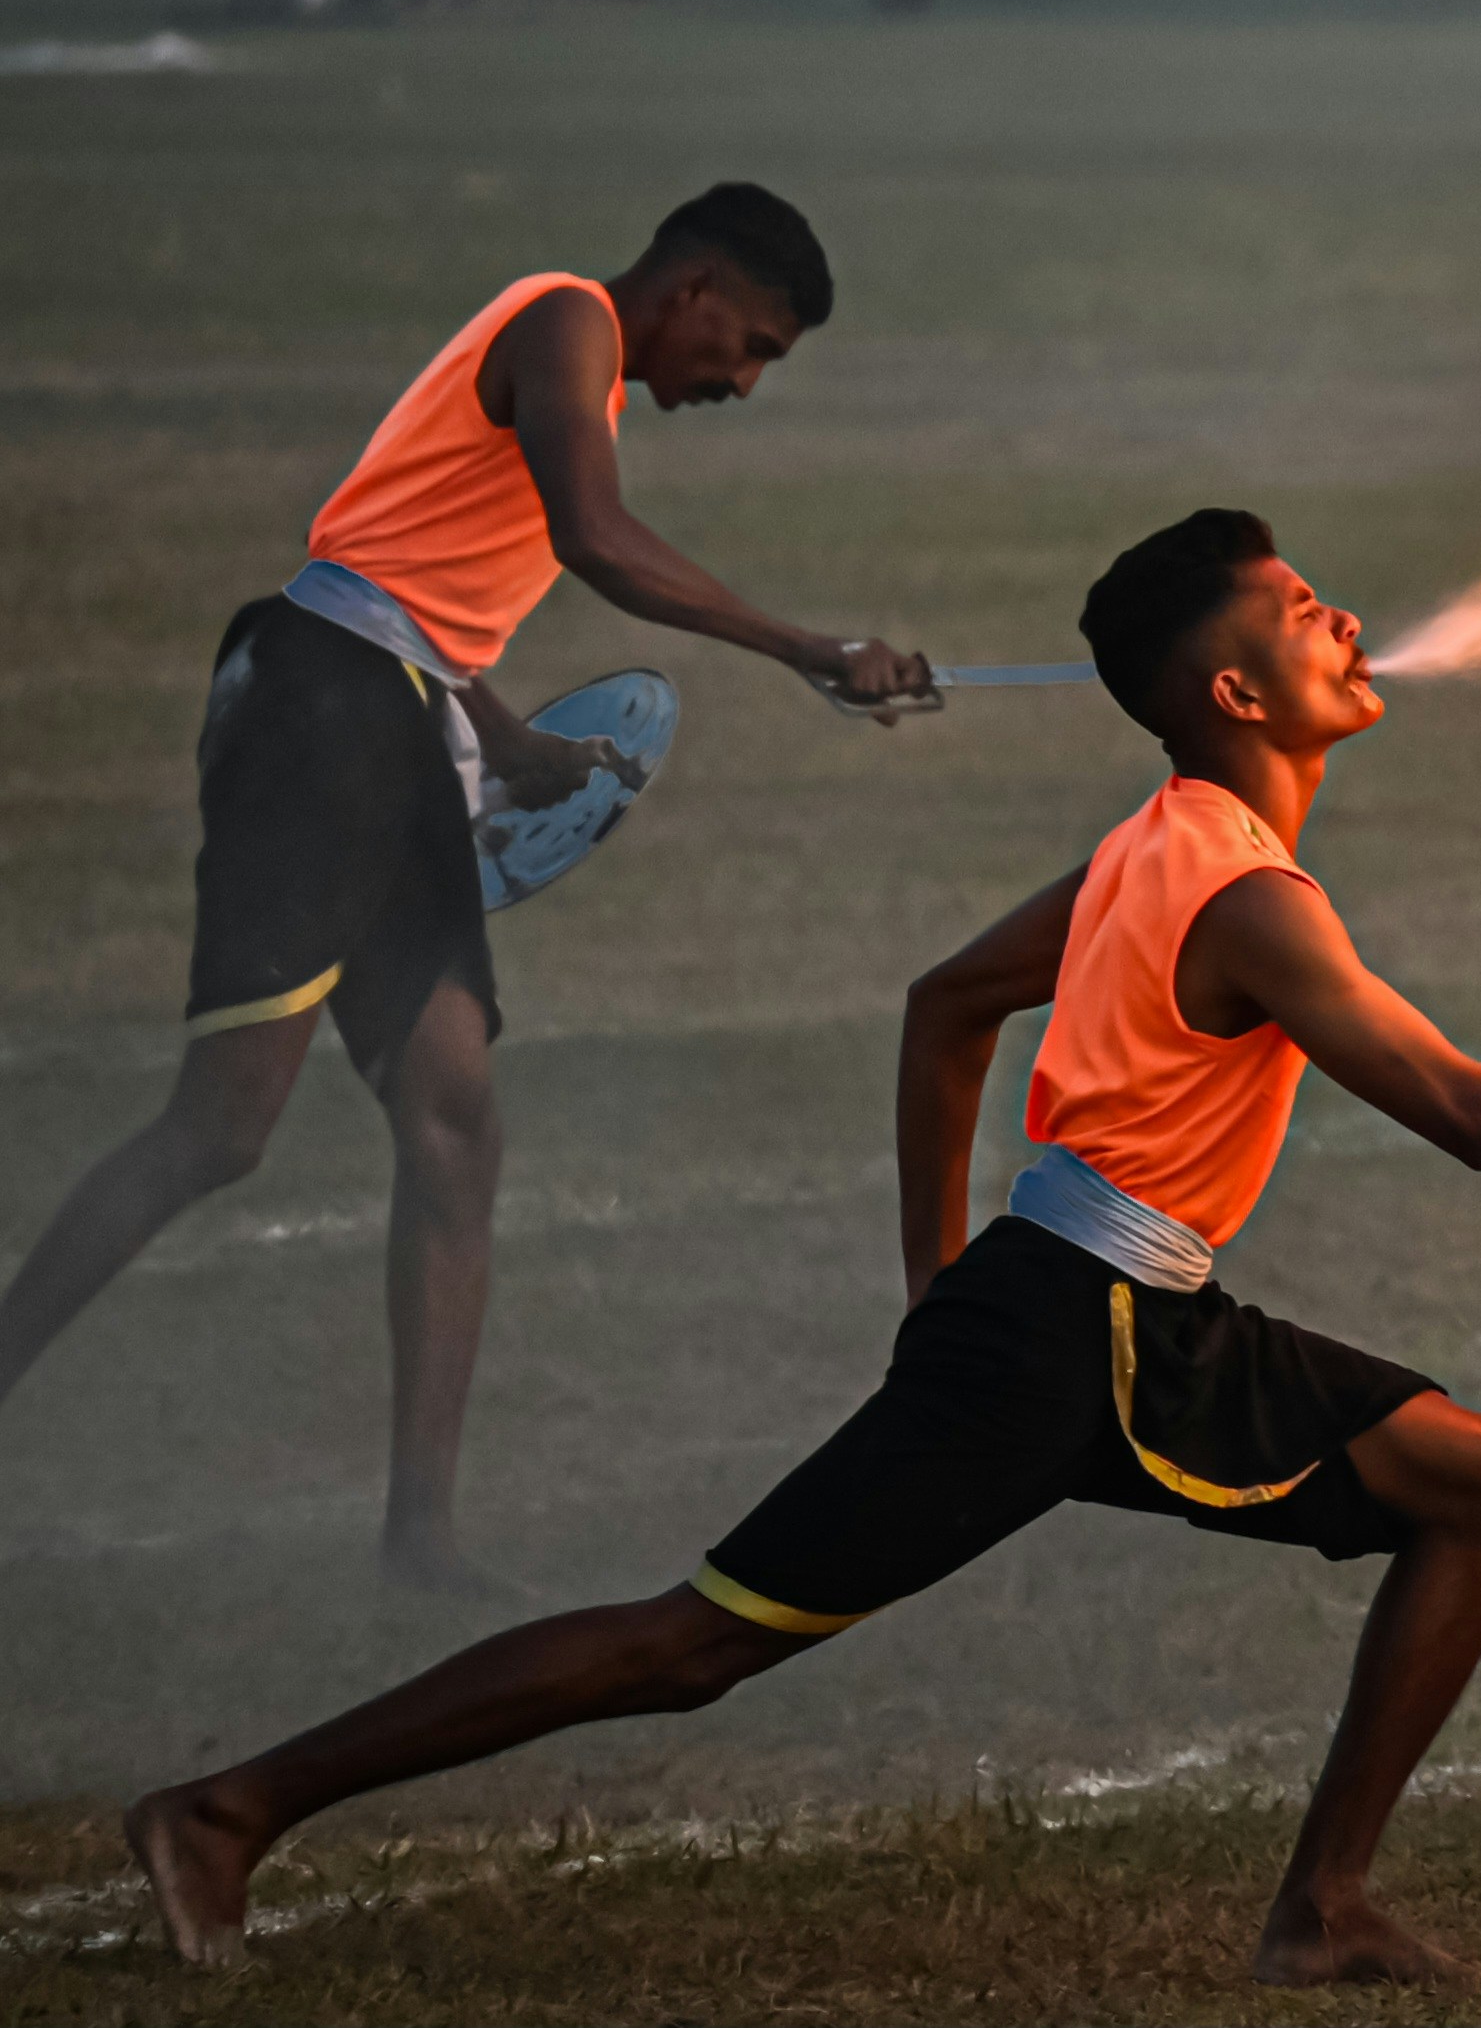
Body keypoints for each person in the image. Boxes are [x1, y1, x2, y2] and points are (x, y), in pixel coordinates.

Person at [119, 510, 1481, 1984]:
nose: (1341, 613)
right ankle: (231, 1806)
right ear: (1236, 693)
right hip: (1063, 1333)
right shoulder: (1244, 894)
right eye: (1296, 605)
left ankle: (1321, 1908)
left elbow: (946, 1003)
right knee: (694, 1643)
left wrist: (932, 1272)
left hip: (1125, 1315)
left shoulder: (1161, 843)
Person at [0, 185, 932, 1593]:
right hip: (319, 705)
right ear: (688, 287)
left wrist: (503, 739)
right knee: (221, 1127)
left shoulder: (584, 365)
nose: (736, 380)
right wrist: (811, 645)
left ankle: (418, 1545)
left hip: (399, 710)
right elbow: (595, 541)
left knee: (455, 1122)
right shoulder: (564, 315)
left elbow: (418, 572)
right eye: (747, 345)